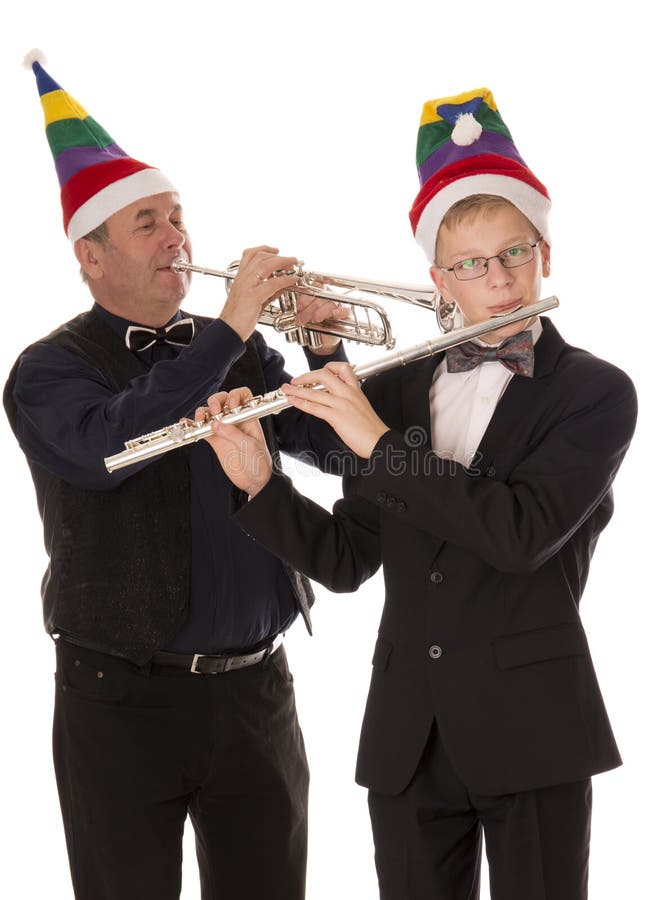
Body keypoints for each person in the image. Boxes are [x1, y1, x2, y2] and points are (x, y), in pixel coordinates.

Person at [199, 87, 639, 899]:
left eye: (514, 254)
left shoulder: (596, 392)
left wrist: (371, 440)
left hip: (532, 727)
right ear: (440, 280)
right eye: (472, 264)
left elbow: (517, 533)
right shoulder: (398, 389)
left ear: (545, 253)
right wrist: (261, 485)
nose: (498, 280)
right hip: (409, 734)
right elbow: (347, 559)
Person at [4, 55, 351, 900]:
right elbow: (105, 448)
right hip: (118, 701)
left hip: (256, 695)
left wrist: (326, 348)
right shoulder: (47, 371)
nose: (178, 240)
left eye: (177, 217)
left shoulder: (232, 344)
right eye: (148, 224)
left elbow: (341, 453)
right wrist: (226, 331)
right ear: (91, 258)